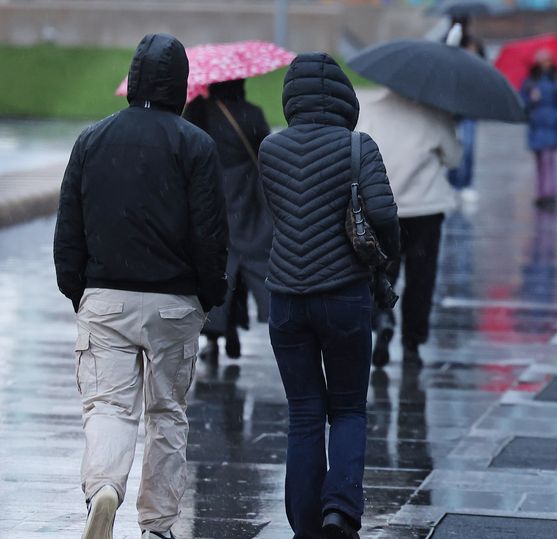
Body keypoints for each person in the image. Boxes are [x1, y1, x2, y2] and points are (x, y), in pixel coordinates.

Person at [53, 34, 228, 539]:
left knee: (109, 405)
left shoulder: (92, 139)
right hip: (174, 300)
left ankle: (105, 489)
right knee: (167, 414)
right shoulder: (196, 145)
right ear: (181, 84)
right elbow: (211, 232)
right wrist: (208, 294)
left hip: (105, 295)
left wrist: (77, 290)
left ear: (132, 80)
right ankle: (157, 524)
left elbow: (70, 225)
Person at [259, 53, 399, 539]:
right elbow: (383, 216)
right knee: (348, 408)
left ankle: (304, 524)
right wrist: (387, 263)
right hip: (343, 296)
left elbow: (272, 217)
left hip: (286, 299)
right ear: (343, 95)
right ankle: (339, 508)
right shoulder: (358, 147)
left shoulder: (270, 150)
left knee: (303, 415)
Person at [357, 89, 463, 368]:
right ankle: (412, 342)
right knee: (421, 279)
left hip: (380, 207)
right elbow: (454, 159)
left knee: (380, 272)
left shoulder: (370, 108)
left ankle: (381, 320)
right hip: (425, 209)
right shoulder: (434, 113)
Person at [183, 79, 273, 364]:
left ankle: (215, 333)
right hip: (246, 197)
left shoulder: (200, 111)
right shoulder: (253, 113)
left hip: (212, 194)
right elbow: (265, 153)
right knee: (247, 261)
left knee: (219, 264)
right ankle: (237, 323)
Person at [520, 50, 557, 208]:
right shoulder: (530, 82)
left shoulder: (556, 81)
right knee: (539, 161)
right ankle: (541, 192)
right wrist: (531, 100)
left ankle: (549, 192)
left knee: (548, 160)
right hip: (536, 125)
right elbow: (522, 101)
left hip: (550, 124)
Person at [446, 15, 486, 205]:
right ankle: (452, 184)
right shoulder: (446, 43)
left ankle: (466, 184)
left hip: (469, 106)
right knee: (452, 148)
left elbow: (485, 72)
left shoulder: (475, 44)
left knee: (468, 147)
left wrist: (474, 57)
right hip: (451, 106)